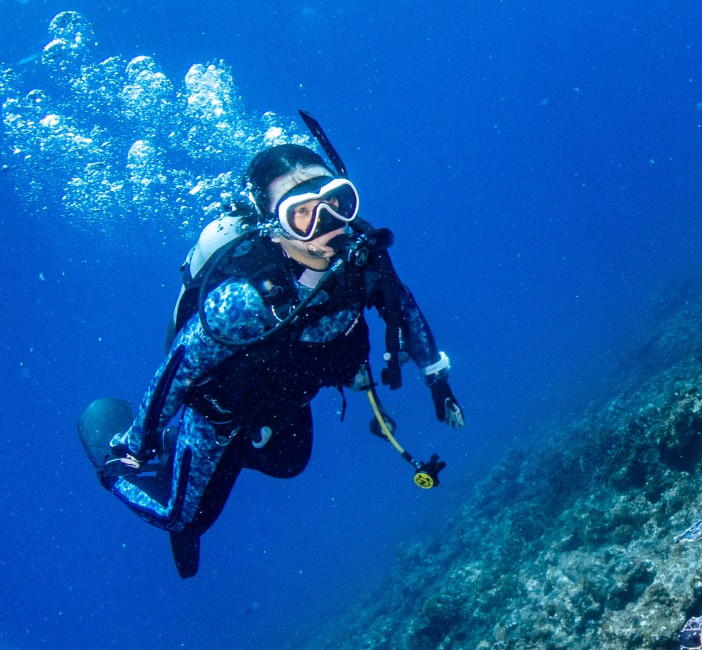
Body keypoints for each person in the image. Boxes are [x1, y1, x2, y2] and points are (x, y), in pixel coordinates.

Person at [94, 142, 464, 577]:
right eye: (302, 213)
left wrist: (437, 381)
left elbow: (404, 308)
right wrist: (134, 449)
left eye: (335, 201)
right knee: (183, 519)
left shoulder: (364, 260)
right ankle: (110, 450)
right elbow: (175, 372)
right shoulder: (244, 301)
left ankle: (219, 454)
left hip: (286, 398)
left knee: (290, 464)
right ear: (273, 225)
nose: (327, 223)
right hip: (219, 416)